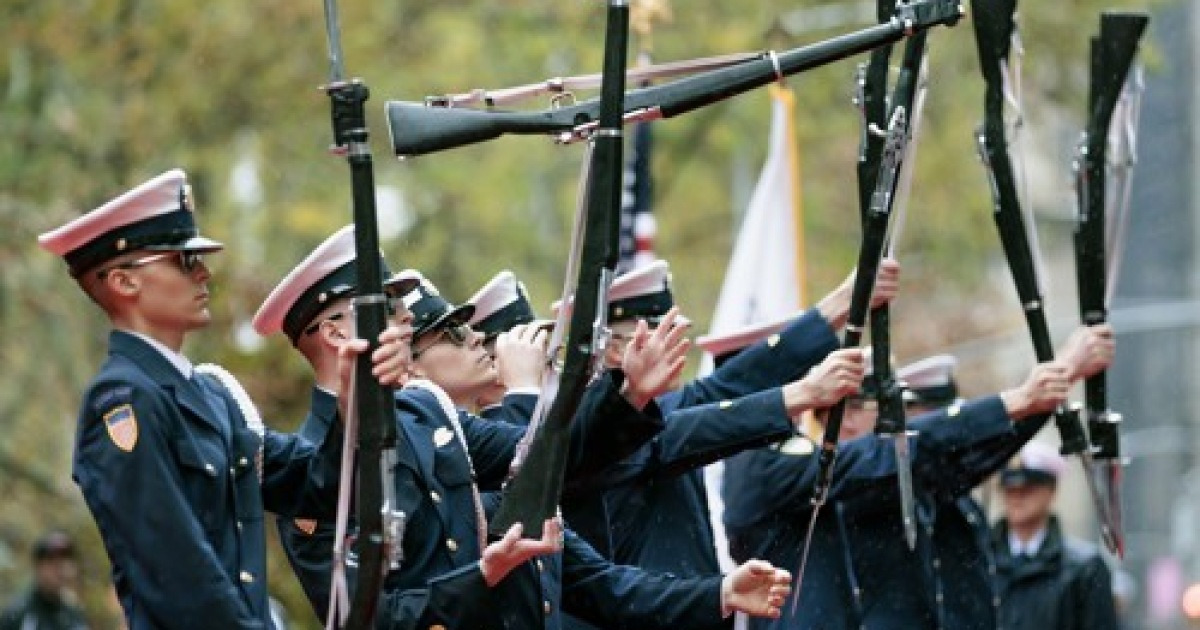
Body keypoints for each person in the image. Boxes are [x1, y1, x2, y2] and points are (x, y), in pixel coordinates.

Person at [254, 227, 794, 629]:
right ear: (332, 331)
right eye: (389, 306)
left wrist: (628, 395)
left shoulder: (427, 416)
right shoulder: (307, 471)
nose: (405, 320)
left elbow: (549, 462)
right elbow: (367, 619)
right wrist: (481, 577)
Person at [36, 169, 409, 629]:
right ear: (124, 282)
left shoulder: (211, 396)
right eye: (183, 261)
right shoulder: (123, 400)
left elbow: (317, 487)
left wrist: (357, 400)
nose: (204, 273)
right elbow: (175, 572)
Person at [718, 321, 1115, 630]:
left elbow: (963, 461)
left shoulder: (852, 472)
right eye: (845, 407)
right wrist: (1031, 392)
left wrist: (1043, 396)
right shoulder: (778, 469)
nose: (857, 420)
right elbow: (919, 450)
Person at [991, 441, 1120, 630]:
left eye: (1027, 489)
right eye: (1009, 489)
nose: (1017, 497)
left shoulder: (1084, 568)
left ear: (1051, 491)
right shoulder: (981, 562)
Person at [0, 531, 89, 630]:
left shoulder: (73, 613)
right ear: (38, 567)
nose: (60, 570)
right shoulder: (18, 614)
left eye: (64, 562)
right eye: (53, 563)